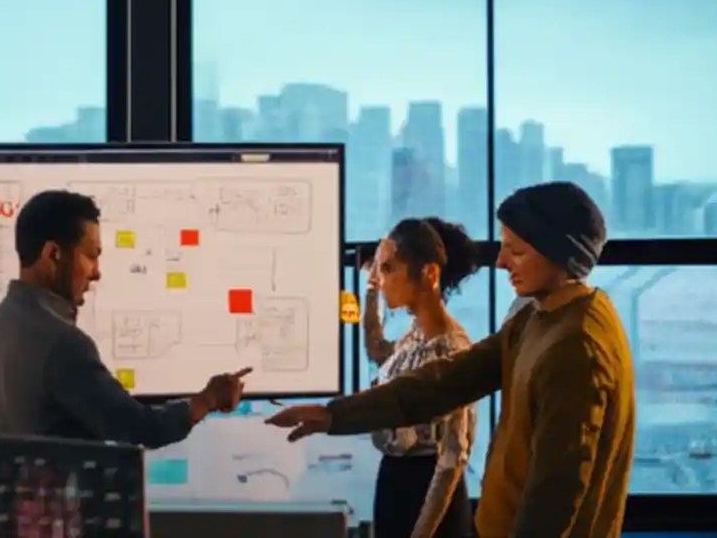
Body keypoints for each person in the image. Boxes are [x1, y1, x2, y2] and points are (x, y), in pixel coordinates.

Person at [267, 181, 636, 537]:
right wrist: (334, 415)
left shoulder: (576, 346)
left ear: (558, 253)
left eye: (517, 251)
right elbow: (445, 383)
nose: (502, 262)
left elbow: (555, 494)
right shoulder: (535, 317)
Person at [0, 189, 250, 449]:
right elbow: (139, 428)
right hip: (62, 486)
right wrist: (208, 399)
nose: (96, 273)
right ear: (54, 254)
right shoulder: (62, 343)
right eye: (90, 256)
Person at [363, 218, 480, 538]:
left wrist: (422, 532)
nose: (381, 279)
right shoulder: (414, 335)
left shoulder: (451, 348)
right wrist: (371, 293)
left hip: (429, 494)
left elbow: (453, 458)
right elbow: (377, 350)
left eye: (388, 269)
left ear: (428, 273)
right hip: (396, 481)